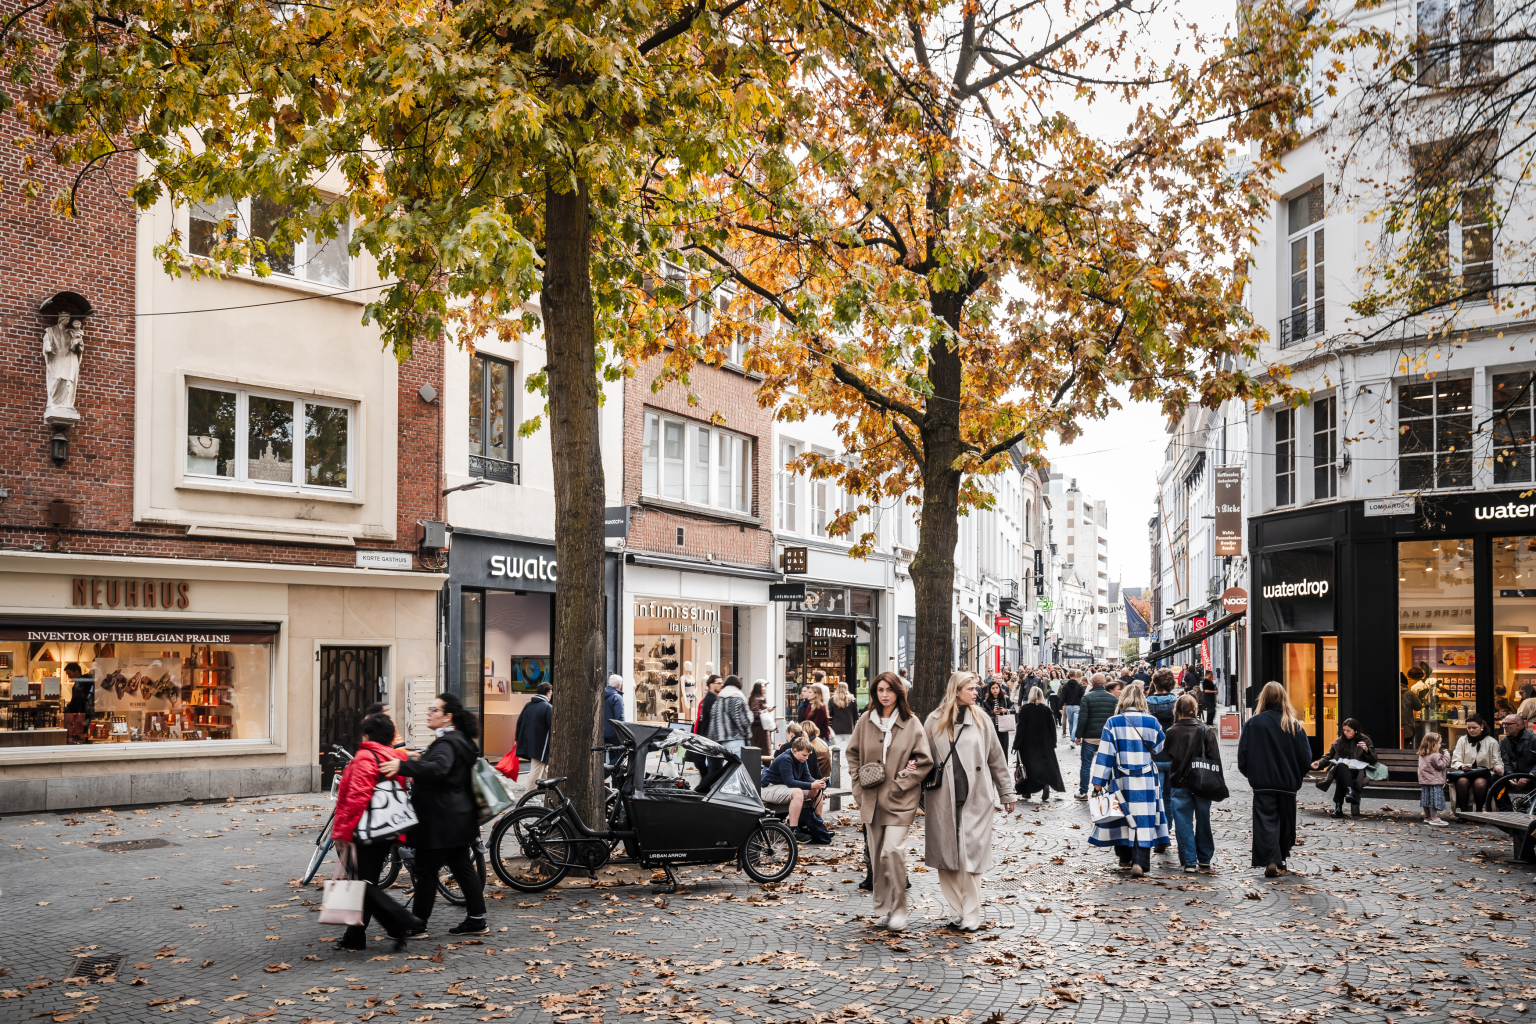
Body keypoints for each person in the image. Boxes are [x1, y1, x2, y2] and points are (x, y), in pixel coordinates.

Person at [378, 693, 488, 936]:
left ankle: (417, 924)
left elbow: (440, 768)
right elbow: (444, 766)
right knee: (463, 868)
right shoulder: (458, 739)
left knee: (426, 873)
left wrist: (402, 766)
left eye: (434, 710)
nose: (429, 713)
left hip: (440, 822)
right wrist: (420, 757)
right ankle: (476, 919)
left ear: (448, 717)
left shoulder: (448, 743)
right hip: (458, 819)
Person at [923, 671, 1015, 931]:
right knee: (946, 858)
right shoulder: (933, 720)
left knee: (969, 857)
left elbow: (996, 759)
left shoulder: (981, 719)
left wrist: (1006, 793)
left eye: (976, 688)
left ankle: (972, 914)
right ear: (956, 691)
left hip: (976, 797)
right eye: (971, 689)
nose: (976, 693)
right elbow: (922, 757)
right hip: (942, 797)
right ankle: (957, 911)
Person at [845, 671, 933, 932]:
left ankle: (900, 909)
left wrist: (903, 779)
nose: (884, 694)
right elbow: (852, 753)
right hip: (871, 799)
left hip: (900, 799)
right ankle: (885, 909)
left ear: (898, 692)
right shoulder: (865, 721)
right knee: (877, 857)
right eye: (880, 690)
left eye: (889, 690)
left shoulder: (911, 723)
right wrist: (857, 785)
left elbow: (924, 760)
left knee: (892, 850)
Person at [330, 714, 424, 950]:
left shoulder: (364, 758)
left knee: (361, 884)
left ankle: (400, 919)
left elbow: (356, 799)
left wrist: (343, 832)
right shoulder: (394, 757)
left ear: (367, 735)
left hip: (363, 831)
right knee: (365, 883)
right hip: (385, 829)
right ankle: (355, 936)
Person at [1088, 682, 1168, 877]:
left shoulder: (1113, 722)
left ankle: (1124, 858)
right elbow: (1160, 749)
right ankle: (1140, 861)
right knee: (1144, 818)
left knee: (1121, 817)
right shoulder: (1152, 722)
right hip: (1146, 778)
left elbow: (1105, 754)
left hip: (1120, 779)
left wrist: (1098, 781)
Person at [1236, 682, 1314, 878]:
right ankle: (1281, 858)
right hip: (1287, 784)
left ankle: (1272, 859)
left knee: (1266, 822)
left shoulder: (1253, 723)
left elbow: (1242, 756)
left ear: (1263, 699)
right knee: (1286, 823)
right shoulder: (1294, 725)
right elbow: (1306, 758)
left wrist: (1253, 775)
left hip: (1263, 784)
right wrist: (1296, 776)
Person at [1165, 694, 1219, 873]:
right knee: (1204, 819)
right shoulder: (1205, 730)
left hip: (1179, 782)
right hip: (1202, 782)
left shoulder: (1171, 732)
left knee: (1183, 822)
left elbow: (1167, 756)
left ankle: (1189, 861)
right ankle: (1204, 858)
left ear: (1177, 710)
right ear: (1195, 709)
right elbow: (1214, 757)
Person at [760, 737, 830, 844]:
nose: (806, 758)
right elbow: (790, 782)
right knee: (798, 792)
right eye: (804, 755)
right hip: (768, 788)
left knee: (816, 792)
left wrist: (818, 785)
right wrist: (812, 785)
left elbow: (807, 777)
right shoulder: (785, 759)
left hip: (783, 787)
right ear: (795, 751)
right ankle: (793, 831)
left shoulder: (801, 759)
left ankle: (817, 827)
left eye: (808, 755)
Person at [1311, 719, 1376, 818]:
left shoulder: (1366, 740)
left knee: (1341, 777)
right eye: (1344, 730)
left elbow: (1374, 759)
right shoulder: (1340, 741)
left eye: (1348, 730)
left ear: (1356, 730)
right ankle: (1350, 791)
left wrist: (1367, 751)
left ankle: (1338, 808)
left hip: (1356, 771)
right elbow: (1329, 756)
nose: (1345, 733)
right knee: (1341, 766)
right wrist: (1319, 763)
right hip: (1339, 769)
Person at [1014, 687, 1065, 802]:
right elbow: (1052, 728)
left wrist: (1016, 744)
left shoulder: (1025, 709)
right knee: (1043, 764)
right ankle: (1044, 783)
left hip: (1028, 742)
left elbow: (1020, 728)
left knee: (1027, 765)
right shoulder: (1046, 709)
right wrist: (1053, 742)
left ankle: (1026, 791)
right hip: (1044, 742)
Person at [1074, 673, 1120, 800]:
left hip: (1090, 736)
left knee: (1086, 765)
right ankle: (1097, 790)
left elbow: (1082, 718)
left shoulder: (1087, 697)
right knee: (1106, 765)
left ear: (1092, 683)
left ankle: (1083, 792)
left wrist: (1078, 736)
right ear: (1104, 683)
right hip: (1107, 737)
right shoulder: (1113, 699)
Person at [1450, 714, 1502, 812]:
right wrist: (1461, 766)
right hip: (1466, 772)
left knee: (1480, 783)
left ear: (1482, 726)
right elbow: (1456, 759)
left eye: (1474, 728)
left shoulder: (1491, 742)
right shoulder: (1462, 740)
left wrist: (1498, 768)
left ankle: (1479, 811)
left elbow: (1497, 760)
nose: (1471, 730)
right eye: (1469, 728)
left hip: (1483, 773)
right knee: (1461, 781)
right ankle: (1464, 813)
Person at [513, 681, 553, 786]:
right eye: (551, 692)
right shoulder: (548, 707)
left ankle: (550, 790)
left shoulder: (529, 705)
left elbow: (519, 722)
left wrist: (517, 739)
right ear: (548, 693)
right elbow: (552, 727)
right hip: (541, 745)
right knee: (536, 769)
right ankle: (529, 793)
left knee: (544, 769)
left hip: (528, 741)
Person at [706, 674, 752, 760]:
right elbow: (746, 722)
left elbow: (712, 724)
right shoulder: (738, 700)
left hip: (721, 742)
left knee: (727, 767)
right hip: (737, 740)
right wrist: (750, 714)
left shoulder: (718, 701)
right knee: (738, 766)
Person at [1494, 714, 1536, 809]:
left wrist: (1529, 776)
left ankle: (1533, 810)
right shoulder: (1504, 741)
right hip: (1513, 776)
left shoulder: (1533, 739)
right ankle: (1506, 810)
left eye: (1507, 724)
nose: (1504, 726)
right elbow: (1506, 761)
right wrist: (1510, 775)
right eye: (1504, 724)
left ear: (1518, 726)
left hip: (1531, 776)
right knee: (1495, 780)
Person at [1417, 732, 1451, 826]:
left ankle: (1427, 817)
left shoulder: (1422, 754)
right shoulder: (1435, 755)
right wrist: (1447, 756)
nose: (1440, 745)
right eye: (1439, 743)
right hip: (1434, 781)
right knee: (1434, 800)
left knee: (1426, 799)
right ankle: (1434, 818)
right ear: (1433, 744)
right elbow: (1441, 765)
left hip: (1425, 781)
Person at [981, 678, 1016, 758]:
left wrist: (1006, 710)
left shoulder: (1006, 699)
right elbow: (983, 714)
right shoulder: (986, 701)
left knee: (1004, 748)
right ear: (990, 690)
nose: (995, 690)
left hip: (1004, 727)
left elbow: (1013, 710)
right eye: (993, 688)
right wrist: (992, 713)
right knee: (992, 749)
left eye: (997, 688)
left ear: (1000, 688)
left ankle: (1004, 764)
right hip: (992, 728)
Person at [601, 674, 626, 768]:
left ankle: (612, 777)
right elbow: (619, 717)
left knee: (612, 756)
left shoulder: (601, 695)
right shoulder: (616, 697)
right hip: (614, 733)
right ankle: (605, 774)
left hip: (603, 732)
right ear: (619, 685)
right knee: (618, 757)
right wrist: (623, 732)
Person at [1059, 671, 1084, 747]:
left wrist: (1060, 707)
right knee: (1075, 723)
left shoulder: (1065, 686)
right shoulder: (1079, 686)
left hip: (1068, 706)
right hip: (1077, 706)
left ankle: (1071, 739)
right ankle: (1072, 740)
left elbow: (1063, 697)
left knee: (1071, 723)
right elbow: (1082, 697)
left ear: (1069, 675)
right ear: (1075, 675)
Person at [748, 680, 771, 755]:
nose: (765, 688)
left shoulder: (761, 698)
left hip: (762, 727)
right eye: (763, 686)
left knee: (763, 749)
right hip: (758, 729)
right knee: (761, 749)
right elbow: (754, 712)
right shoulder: (756, 699)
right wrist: (765, 710)